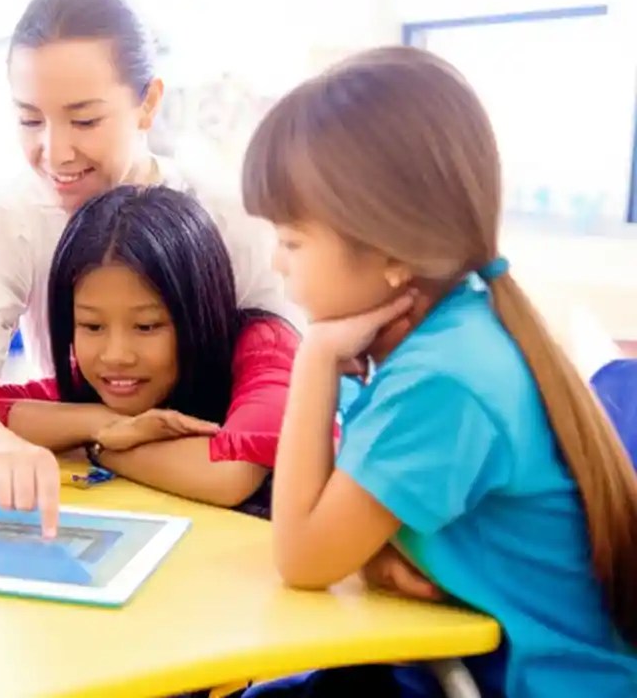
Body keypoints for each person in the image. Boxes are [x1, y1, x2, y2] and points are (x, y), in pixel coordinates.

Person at [242, 46, 637, 696]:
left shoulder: (445, 378)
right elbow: (341, 528)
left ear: (391, 253)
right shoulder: (450, 335)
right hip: (457, 669)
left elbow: (302, 557)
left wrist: (312, 359)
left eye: (291, 242)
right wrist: (378, 556)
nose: (279, 266)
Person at [0, 0, 292, 535]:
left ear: (148, 102)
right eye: (30, 119)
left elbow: (262, 416)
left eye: (84, 120)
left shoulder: (227, 217)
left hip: (215, 502)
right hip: (95, 505)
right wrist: (79, 428)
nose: (55, 152)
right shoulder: (11, 218)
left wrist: (95, 440)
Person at [0, 185, 297, 515]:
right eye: (92, 326)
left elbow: (229, 473)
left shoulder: (266, 348)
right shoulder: (101, 387)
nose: (116, 355)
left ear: (197, 313)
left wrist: (101, 446)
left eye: (146, 326)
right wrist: (100, 422)